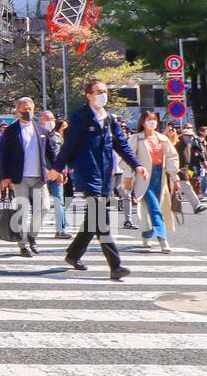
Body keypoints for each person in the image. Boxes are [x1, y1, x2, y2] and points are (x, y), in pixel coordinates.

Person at [49, 78, 146, 282]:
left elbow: (122, 145)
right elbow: (69, 146)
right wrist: (57, 168)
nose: (103, 94)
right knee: (101, 219)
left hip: (105, 175)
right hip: (87, 173)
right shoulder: (80, 117)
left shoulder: (109, 118)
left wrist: (137, 164)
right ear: (89, 95)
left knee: (92, 220)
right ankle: (115, 266)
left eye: (105, 91)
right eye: (99, 91)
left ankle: (73, 254)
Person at [0, 97, 59, 258]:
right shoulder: (10, 131)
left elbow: (51, 153)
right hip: (19, 177)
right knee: (22, 210)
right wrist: (5, 177)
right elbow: (3, 156)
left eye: (30, 109)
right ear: (17, 111)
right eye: (24, 109)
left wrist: (58, 170)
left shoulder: (42, 130)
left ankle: (32, 235)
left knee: (44, 207)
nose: (27, 112)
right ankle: (23, 244)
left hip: (39, 176)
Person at [129, 109, 177, 251]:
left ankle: (146, 234)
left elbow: (172, 156)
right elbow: (128, 157)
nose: (152, 122)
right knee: (155, 208)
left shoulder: (162, 138)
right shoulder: (136, 138)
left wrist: (174, 176)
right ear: (142, 122)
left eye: (154, 119)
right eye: (149, 119)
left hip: (160, 176)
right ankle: (163, 240)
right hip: (143, 176)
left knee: (153, 207)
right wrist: (128, 175)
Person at [39, 109, 68, 236]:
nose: (50, 122)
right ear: (40, 121)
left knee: (59, 202)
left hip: (56, 174)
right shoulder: (37, 136)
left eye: (52, 119)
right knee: (40, 205)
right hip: (41, 175)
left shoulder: (57, 137)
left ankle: (61, 230)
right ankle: (34, 229)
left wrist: (64, 172)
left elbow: (62, 155)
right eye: (47, 119)